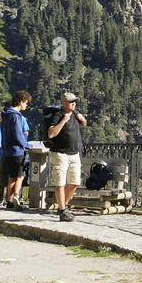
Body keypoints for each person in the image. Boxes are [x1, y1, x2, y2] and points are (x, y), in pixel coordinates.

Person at [46, 91, 86, 222]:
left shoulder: (75, 113)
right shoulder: (58, 115)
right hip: (60, 153)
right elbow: (51, 134)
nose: (74, 104)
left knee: (74, 183)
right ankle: (63, 210)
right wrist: (63, 120)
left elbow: (83, 125)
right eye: (71, 102)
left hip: (75, 153)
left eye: (74, 101)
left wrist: (82, 119)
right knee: (60, 183)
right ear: (64, 103)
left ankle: (63, 206)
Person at [0, 90, 31, 210]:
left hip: (6, 150)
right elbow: (18, 134)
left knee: (11, 176)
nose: (26, 105)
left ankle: (9, 201)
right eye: (26, 102)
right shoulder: (16, 116)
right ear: (21, 101)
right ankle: (16, 197)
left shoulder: (6, 114)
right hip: (17, 150)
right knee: (19, 175)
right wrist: (26, 145)